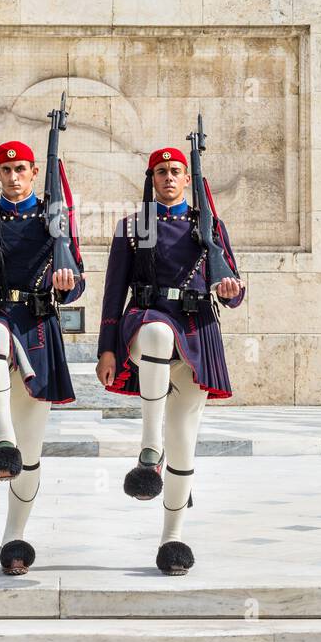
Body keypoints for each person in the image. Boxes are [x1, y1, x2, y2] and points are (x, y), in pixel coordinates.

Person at [95, 147, 244, 575]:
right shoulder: (134, 226)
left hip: (196, 334)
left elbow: (231, 282)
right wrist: (107, 348)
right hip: (147, 323)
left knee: (184, 444)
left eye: (176, 171)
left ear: (187, 178)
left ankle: (172, 539)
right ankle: (148, 447)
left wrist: (233, 291)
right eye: (160, 172)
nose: (169, 178)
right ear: (151, 179)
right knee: (158, 334)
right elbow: (113, 293)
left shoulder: (209, 226)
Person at [0, 140, 85, 575]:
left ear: (32, 173)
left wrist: (67, 284)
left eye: (21, 169)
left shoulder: (54, 222)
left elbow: (76, 282)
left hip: (37, 328)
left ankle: (14, 537)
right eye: (5, 171)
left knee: (32, 451)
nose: (13, 177)